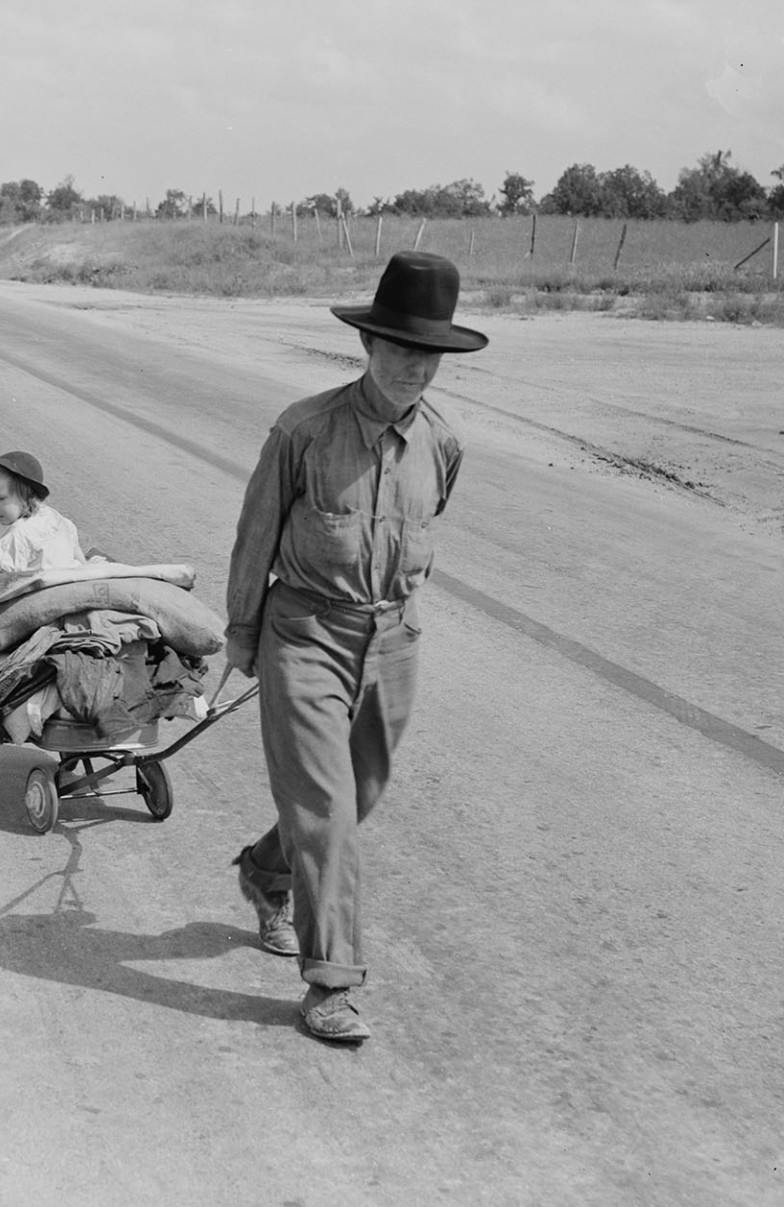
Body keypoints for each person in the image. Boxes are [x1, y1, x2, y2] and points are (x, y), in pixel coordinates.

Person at [224, 251, 487, 1044]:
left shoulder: (444, 441)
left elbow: (428, 520)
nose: (415, 367)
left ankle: (266, 872)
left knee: (359, 793)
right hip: (304, 632)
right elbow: (256, 536)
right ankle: (330, 984)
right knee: (327, 808)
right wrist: (242, 632)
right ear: (368, 344)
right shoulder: (304, 429)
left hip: (393, 639)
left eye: (430, 354)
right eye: (401, 348)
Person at [0, 451, 86, 572]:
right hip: (71, 579)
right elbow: (79, 558)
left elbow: (6, 580)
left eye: (1, 498)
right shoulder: (55, 518)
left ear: (26, 496)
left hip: (39, 583)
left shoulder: (15, 538)